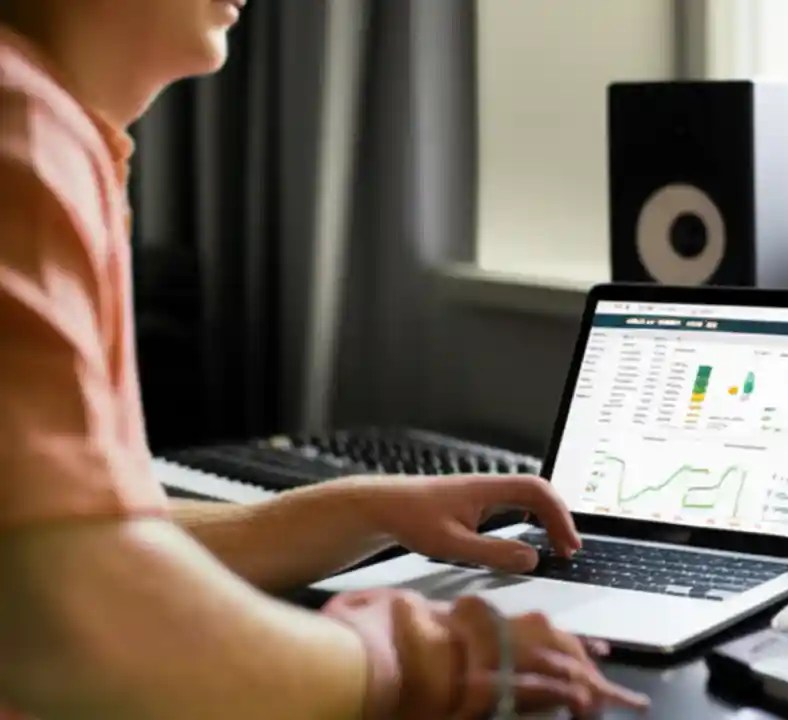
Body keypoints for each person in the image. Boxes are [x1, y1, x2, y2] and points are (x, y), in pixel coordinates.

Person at [0, 1, 648, 718]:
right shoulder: (21, 128)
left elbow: (52, 549)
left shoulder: (45, 124)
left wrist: (361, 508)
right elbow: (69, 617)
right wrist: (419, 659)